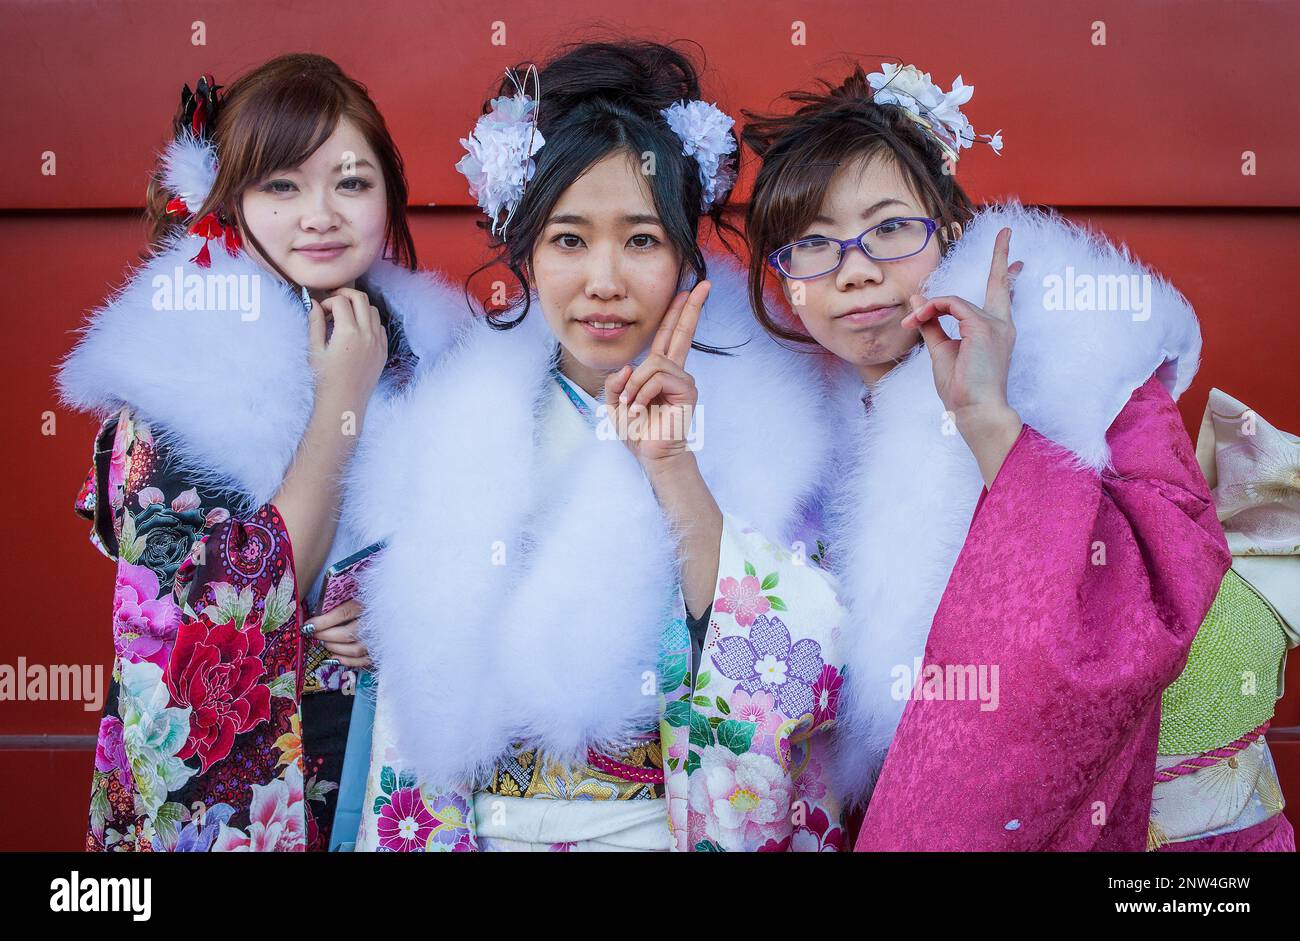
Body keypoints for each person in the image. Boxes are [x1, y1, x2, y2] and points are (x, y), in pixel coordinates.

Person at [741, 60, 1293, 850]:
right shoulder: (813, 422)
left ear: (952, 224)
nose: (855, 269)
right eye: (813, 246)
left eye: (891, 228)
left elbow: (1169, 574)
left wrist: (993, 423)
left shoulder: (1083, 359)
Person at [341, 40, 847, 851]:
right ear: (527, 252)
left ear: (686, 254)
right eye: (570, 240)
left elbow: (799, 663)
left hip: (664, 828)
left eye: (641, 240)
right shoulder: (457, 420)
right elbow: (413, 677)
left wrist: (674, 468)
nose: (603, 279)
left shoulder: (768, 425)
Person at [58, 54, 465, 851]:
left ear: (391, 195)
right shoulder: (176, 371)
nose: (320, 214)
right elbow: (218, 607)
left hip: (397, 766)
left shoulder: (447, 351)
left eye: (351, 182)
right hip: (270, 778)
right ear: (228, 203)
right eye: (281, 185)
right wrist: (341, 399)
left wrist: (409, 609)